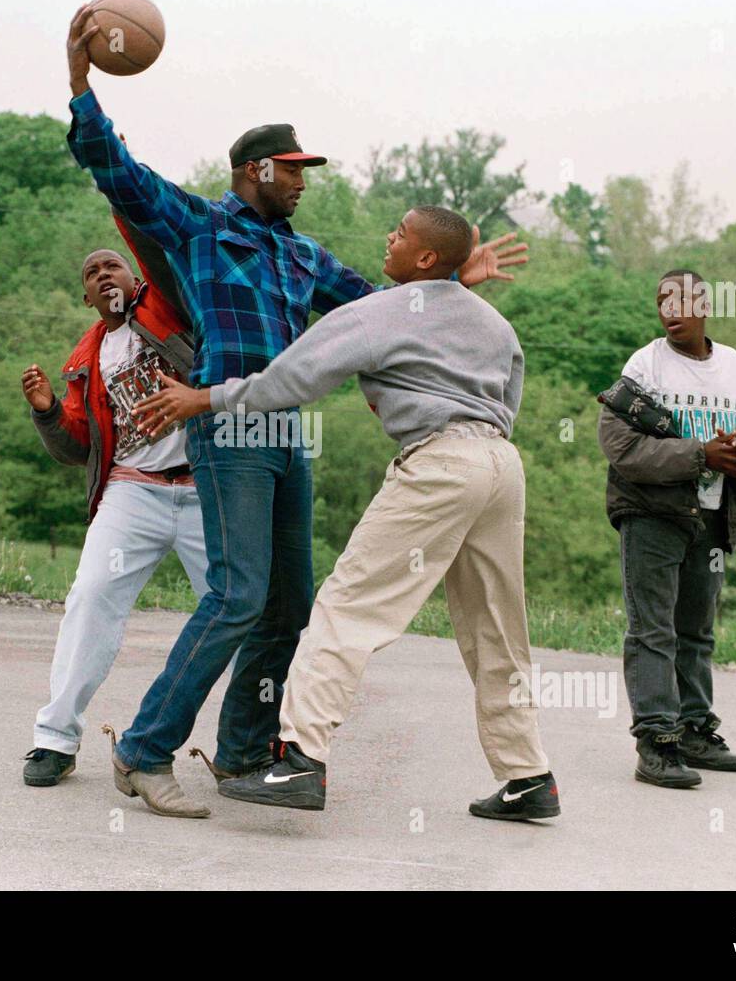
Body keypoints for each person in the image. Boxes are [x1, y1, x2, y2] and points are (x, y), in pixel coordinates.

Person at [64, 5, 528, 817]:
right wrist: (81, 89)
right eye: (292, 168)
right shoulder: (204, 226)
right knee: (238, 595)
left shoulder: (303, 254)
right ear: (253, 171)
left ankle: (245, 755)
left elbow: (390, 309)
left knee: (289, 606)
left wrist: (452, 276)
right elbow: (120, 174)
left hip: (283, 435)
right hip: (225, 427)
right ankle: (143, 751)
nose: (304, 181)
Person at [133, 206, 557, 820]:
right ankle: (528, 777)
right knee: (497, 628)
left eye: (401, 234)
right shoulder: (494, 323)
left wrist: (207, 397)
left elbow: (291, 379)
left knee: (345, 609)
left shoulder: (382, 311)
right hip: (499, 466)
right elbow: (508, 394)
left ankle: (299, 757)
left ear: (426, 259)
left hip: (440, 464)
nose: (389, 238)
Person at [21, 217, 208, 792]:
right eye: (92, 272)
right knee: (91, 598)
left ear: (134, 277)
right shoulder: (88, 356)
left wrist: (119, 193)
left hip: (206, 488)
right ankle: (55, 739)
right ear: (85, 296)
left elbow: (156, 252)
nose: (103, 273)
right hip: (133, 489)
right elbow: (78, 447)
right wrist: (49, 410)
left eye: (113, 265)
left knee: (242, 611)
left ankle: (260, 741)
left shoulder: (169, 307)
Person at [597, 269, 736, 788]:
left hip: (711, 517)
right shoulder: (645, 366)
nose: (670, 311)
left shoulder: (734, 367)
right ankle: (656, 741)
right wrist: (699, 454)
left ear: (704, 304)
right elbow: (620, 445)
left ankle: (694, 730)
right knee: (653, 629)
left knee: (696, 631)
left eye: (681, 300)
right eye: (661, 302)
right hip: (652, 514)